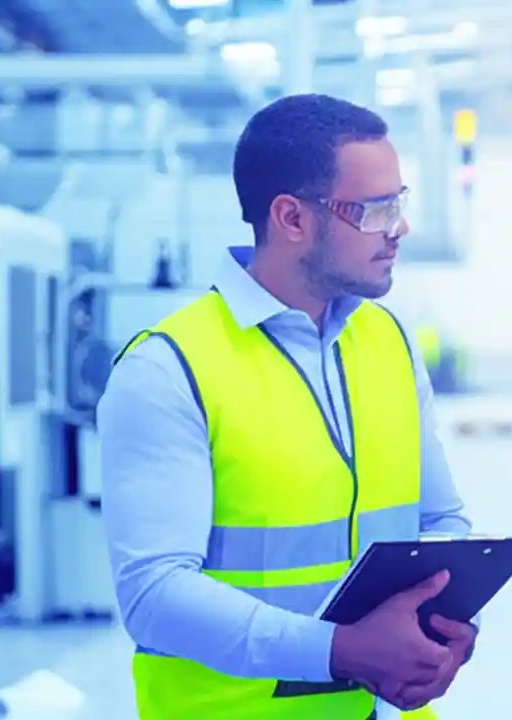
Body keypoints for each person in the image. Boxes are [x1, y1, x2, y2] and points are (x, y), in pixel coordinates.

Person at [97, 93, 478, 719]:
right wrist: (340, 651)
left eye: (398, 202)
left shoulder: (389, 342)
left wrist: (448, 627)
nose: (399, 228)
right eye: (376, 209)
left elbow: (441, 522)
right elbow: (155, 595)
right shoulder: (168, 369)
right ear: (292, 219)